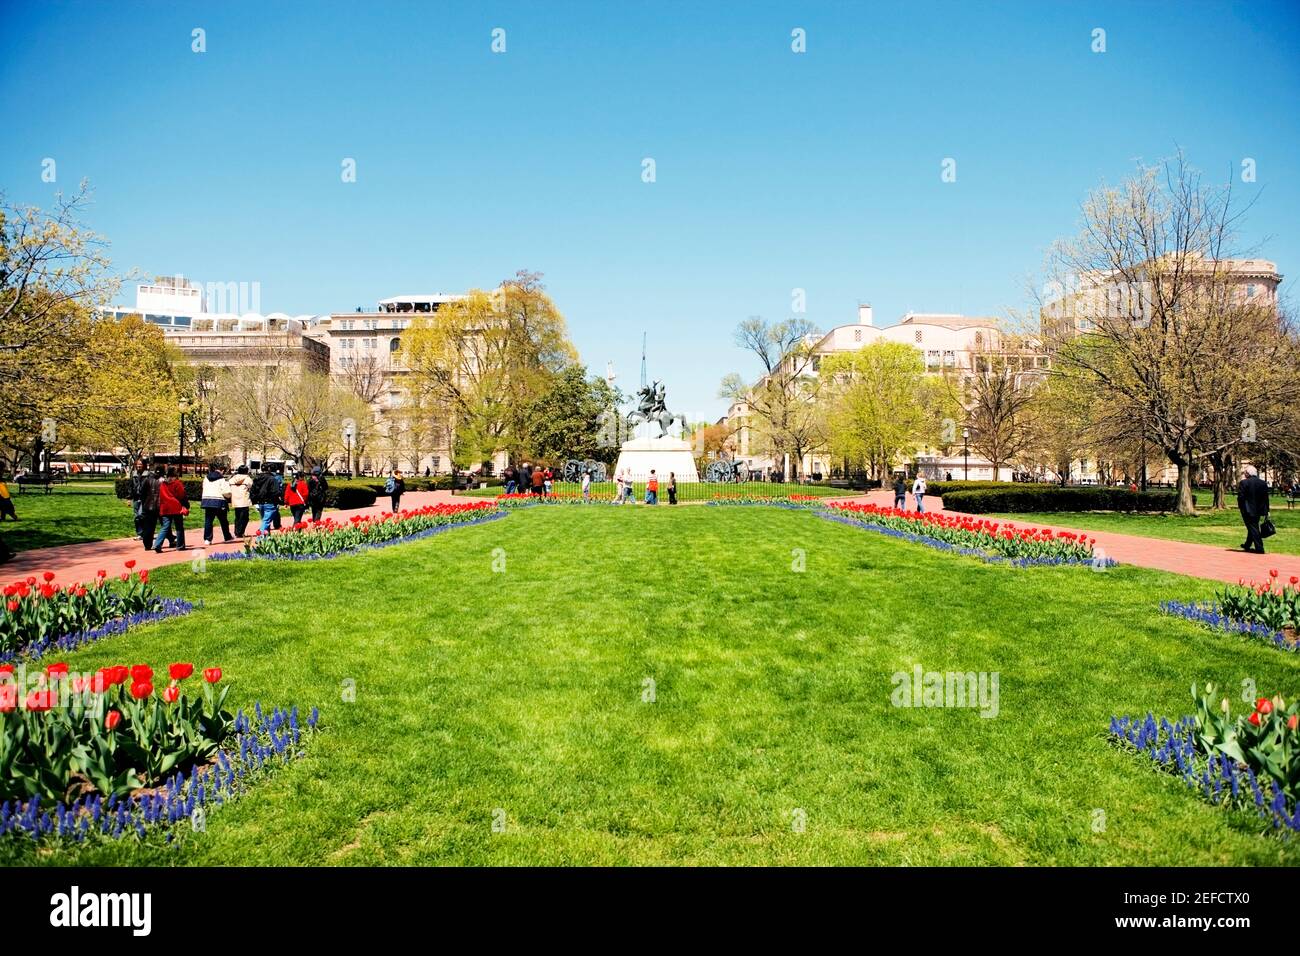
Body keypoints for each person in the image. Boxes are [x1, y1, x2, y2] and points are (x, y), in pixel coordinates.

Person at [1237, 464, 1271, 554]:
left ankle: (1259, 548)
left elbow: (1241, 497)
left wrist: (1241, 507)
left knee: (1253, 527)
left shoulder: (1244, 483)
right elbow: (1266, 498)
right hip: (1259, 509)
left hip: (1248, 509)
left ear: (1248, 473)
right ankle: (1247, 545)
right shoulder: (1263, 483)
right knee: (1252, 527)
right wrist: (1267, 510)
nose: (1244, 474)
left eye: (1245, 472)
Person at [153, 467, 188, 552]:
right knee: (179, 527)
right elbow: (181, 495)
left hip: (165, 507)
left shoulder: (163, 484)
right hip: (176, 507)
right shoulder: (177, 483)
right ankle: (180, 545)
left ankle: (157, 544)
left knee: (165, 526)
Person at [200, 463, 234, 545]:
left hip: (207, 501)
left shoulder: (206, 478)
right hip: (219, 502)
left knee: (208, 521)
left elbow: (203, 487)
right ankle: (227, 536)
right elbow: (226, 492)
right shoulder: (222, 479)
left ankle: (207, 539)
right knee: (223, 521)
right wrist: (229, 496)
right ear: (222, 470)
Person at [252, 465, 282, 534]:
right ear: (269, 469)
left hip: (260, 502)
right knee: (266, 521)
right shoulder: (272, 479)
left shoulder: (257, 479)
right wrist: (277, 500)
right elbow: (276, 492)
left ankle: (266, 538)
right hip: (270, 502)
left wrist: (255, 501)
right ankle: (260, 538)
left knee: (264, 520)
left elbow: (253, 491)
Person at [229, 464, 254, 536]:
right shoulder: (248, 479)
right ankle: (240, 532)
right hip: (244, 500)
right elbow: (251, 487)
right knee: (245, 518)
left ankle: (237, 531)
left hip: (235, 500)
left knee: (237, 517)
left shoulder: (233, 479)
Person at [127, 458, 147, 536]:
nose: (138, 466)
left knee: (140, 515)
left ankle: (143, 532)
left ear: (144, 465)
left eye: (140, 464)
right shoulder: (134, 475)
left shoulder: (147, 475)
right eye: (137, 464)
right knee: (136, 516)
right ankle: (139, 533)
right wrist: (129, 498)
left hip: (144, 499)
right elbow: (131, 487)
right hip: (136, 498)